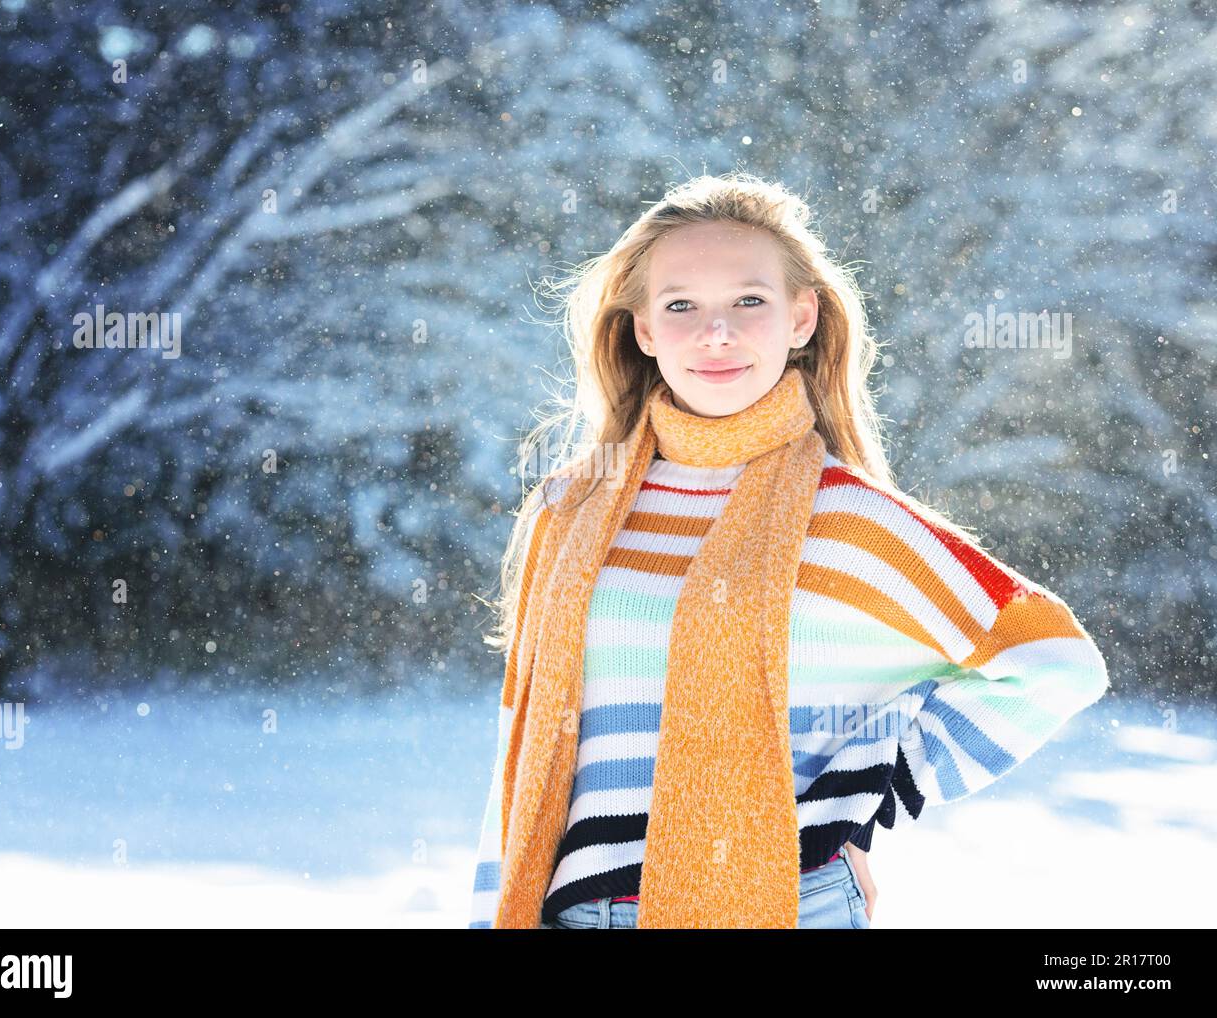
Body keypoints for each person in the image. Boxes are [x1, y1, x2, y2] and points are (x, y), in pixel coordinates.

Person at [467, 172, 1109, 929]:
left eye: (749, 301)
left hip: (785, 904)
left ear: (801, 317)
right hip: (576, 912)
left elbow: (1053, 662)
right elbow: (523, 743)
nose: (717, 332)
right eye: (681, 305)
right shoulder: (569, 508)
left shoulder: (845, 515)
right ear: (642, 329)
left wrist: (864, 799)